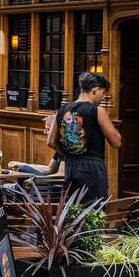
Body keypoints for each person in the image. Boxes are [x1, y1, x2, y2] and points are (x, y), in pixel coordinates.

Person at [47, 71, 121, 205]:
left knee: (73, 210)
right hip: (92, 168)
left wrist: (68, 153)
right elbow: (116, 142)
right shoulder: (97, 111)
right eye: (103, 93)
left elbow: (51, 141)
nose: (103, 97)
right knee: (94, 211)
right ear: (95, 90)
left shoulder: (63, 109)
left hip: (71, 166)